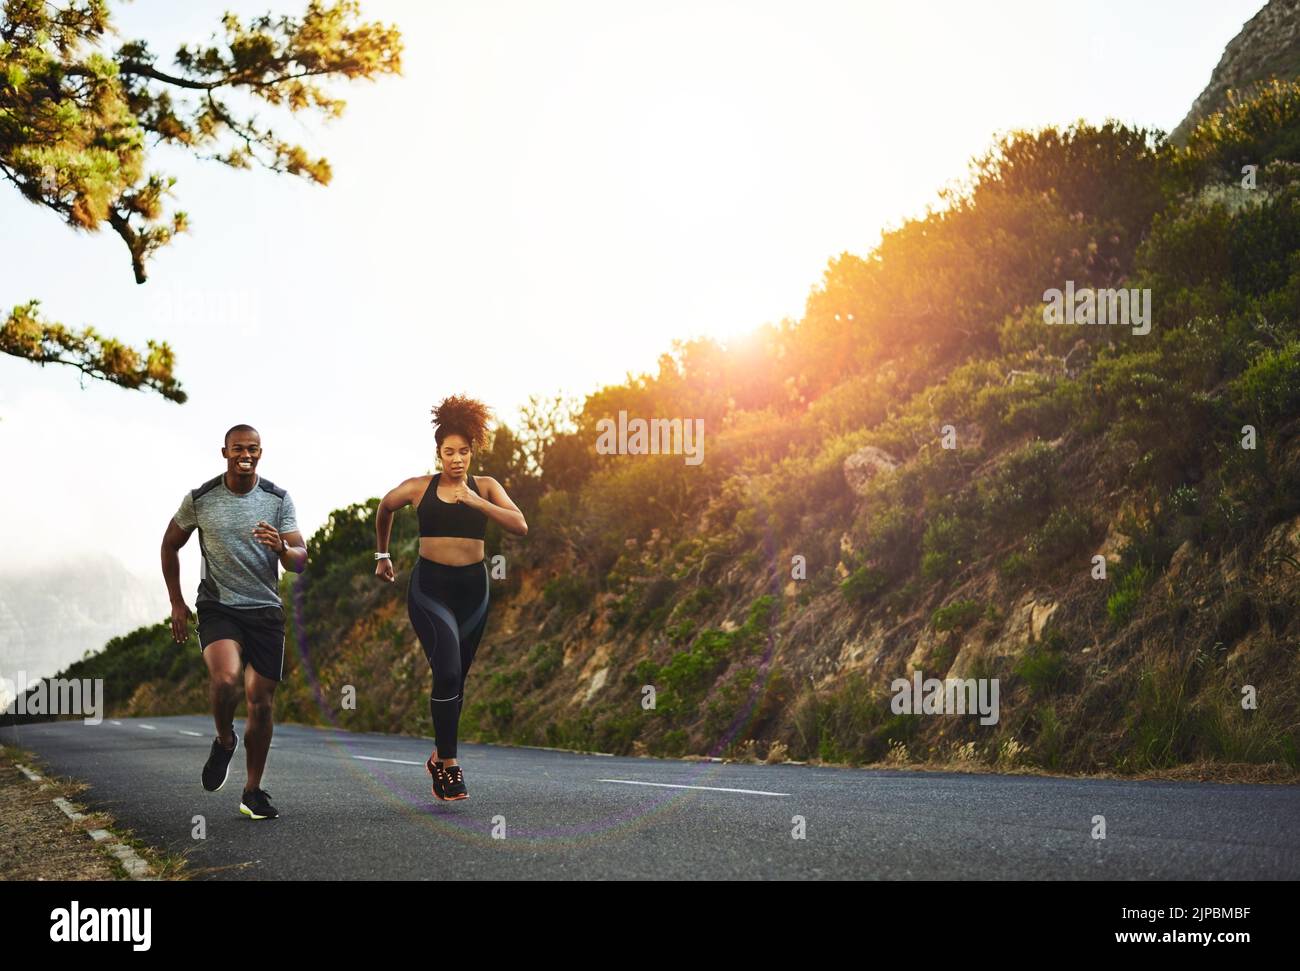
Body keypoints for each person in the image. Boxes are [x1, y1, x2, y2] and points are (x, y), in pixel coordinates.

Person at [374, 395, 527, 801]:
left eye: (462, 452)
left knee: (457, 678)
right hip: (430, 588)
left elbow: (520, 525)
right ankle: (450, 764)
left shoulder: (487, 487)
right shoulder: (418, 488)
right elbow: (384, 507)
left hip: (474, 591)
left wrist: (476, 502)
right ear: (438, 453)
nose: (456, 459)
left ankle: (439, 758)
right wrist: (382, 554)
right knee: (445, 672)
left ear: (472, 452)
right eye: (448, 452)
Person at [161, 424, 307, 820]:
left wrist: (282, 547)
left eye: (254, 449)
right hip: (218, 606)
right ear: (224, 452)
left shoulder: (278, 499)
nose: (247, 454)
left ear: (261, 453)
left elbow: (300, 558)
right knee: (225, 679)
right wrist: (177, 603)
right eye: (239, 448)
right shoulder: (201, 499)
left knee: (260, 703)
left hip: (264, 610)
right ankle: (225, 740)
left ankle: (252, 791)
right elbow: (170, 544)